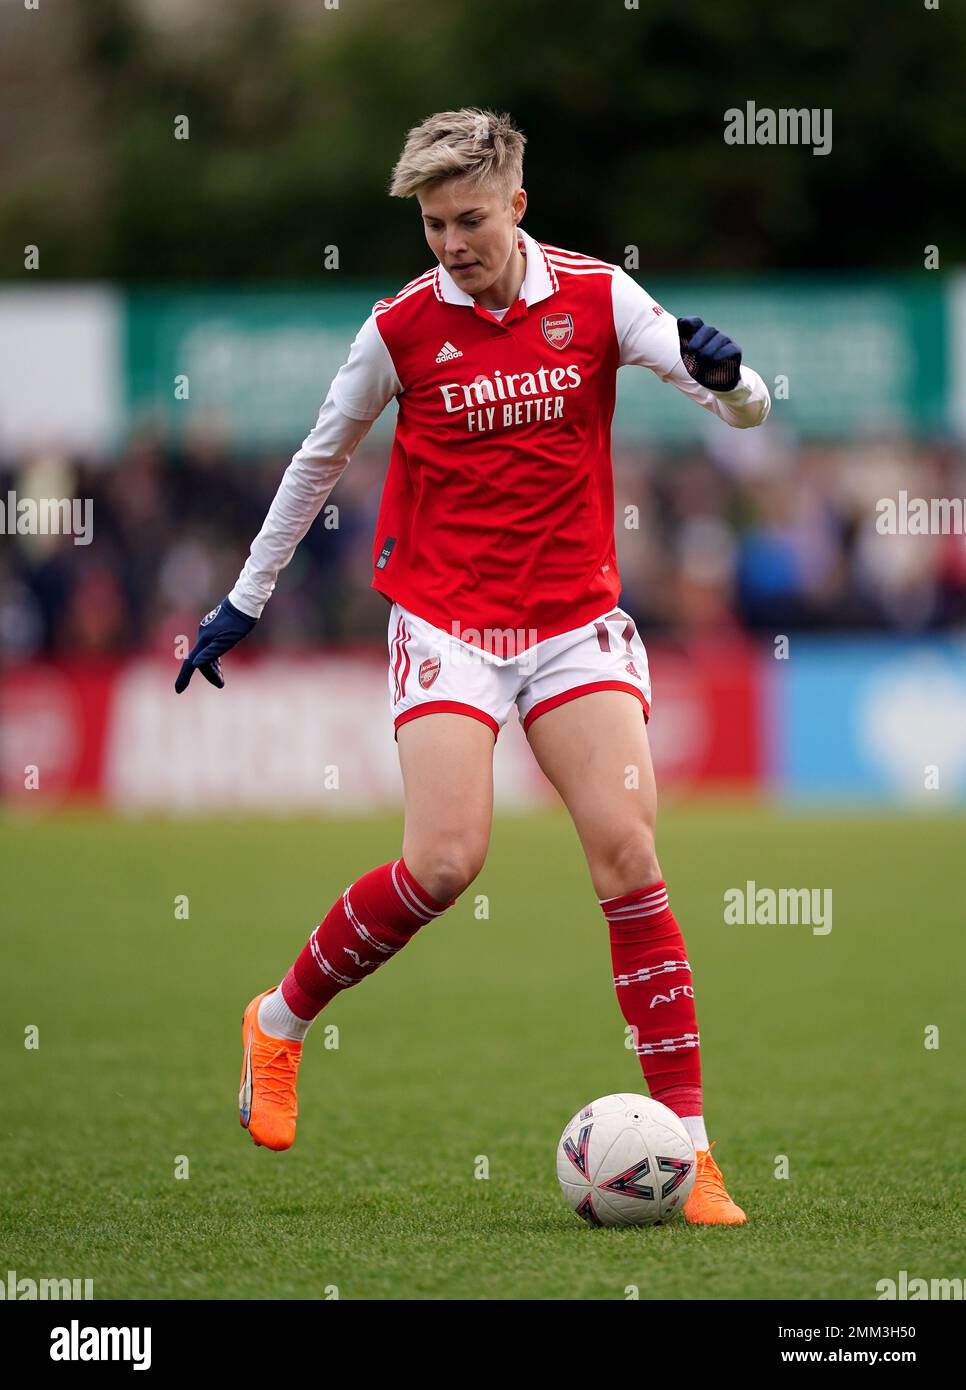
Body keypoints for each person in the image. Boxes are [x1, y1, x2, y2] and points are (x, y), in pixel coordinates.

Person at [176, 108, 770, 1226]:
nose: (452, 243)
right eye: (436, 224)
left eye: (471, 220)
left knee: (629, 850)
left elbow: (737, 410)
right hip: (447, 621)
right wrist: (243, 599)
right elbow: (316, 463)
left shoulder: (600, 298)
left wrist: (735, 385)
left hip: (573, 619)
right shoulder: (399, 329)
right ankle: (279, 1022)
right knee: (446, 862)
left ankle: (693, 1151)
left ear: (518, 207)